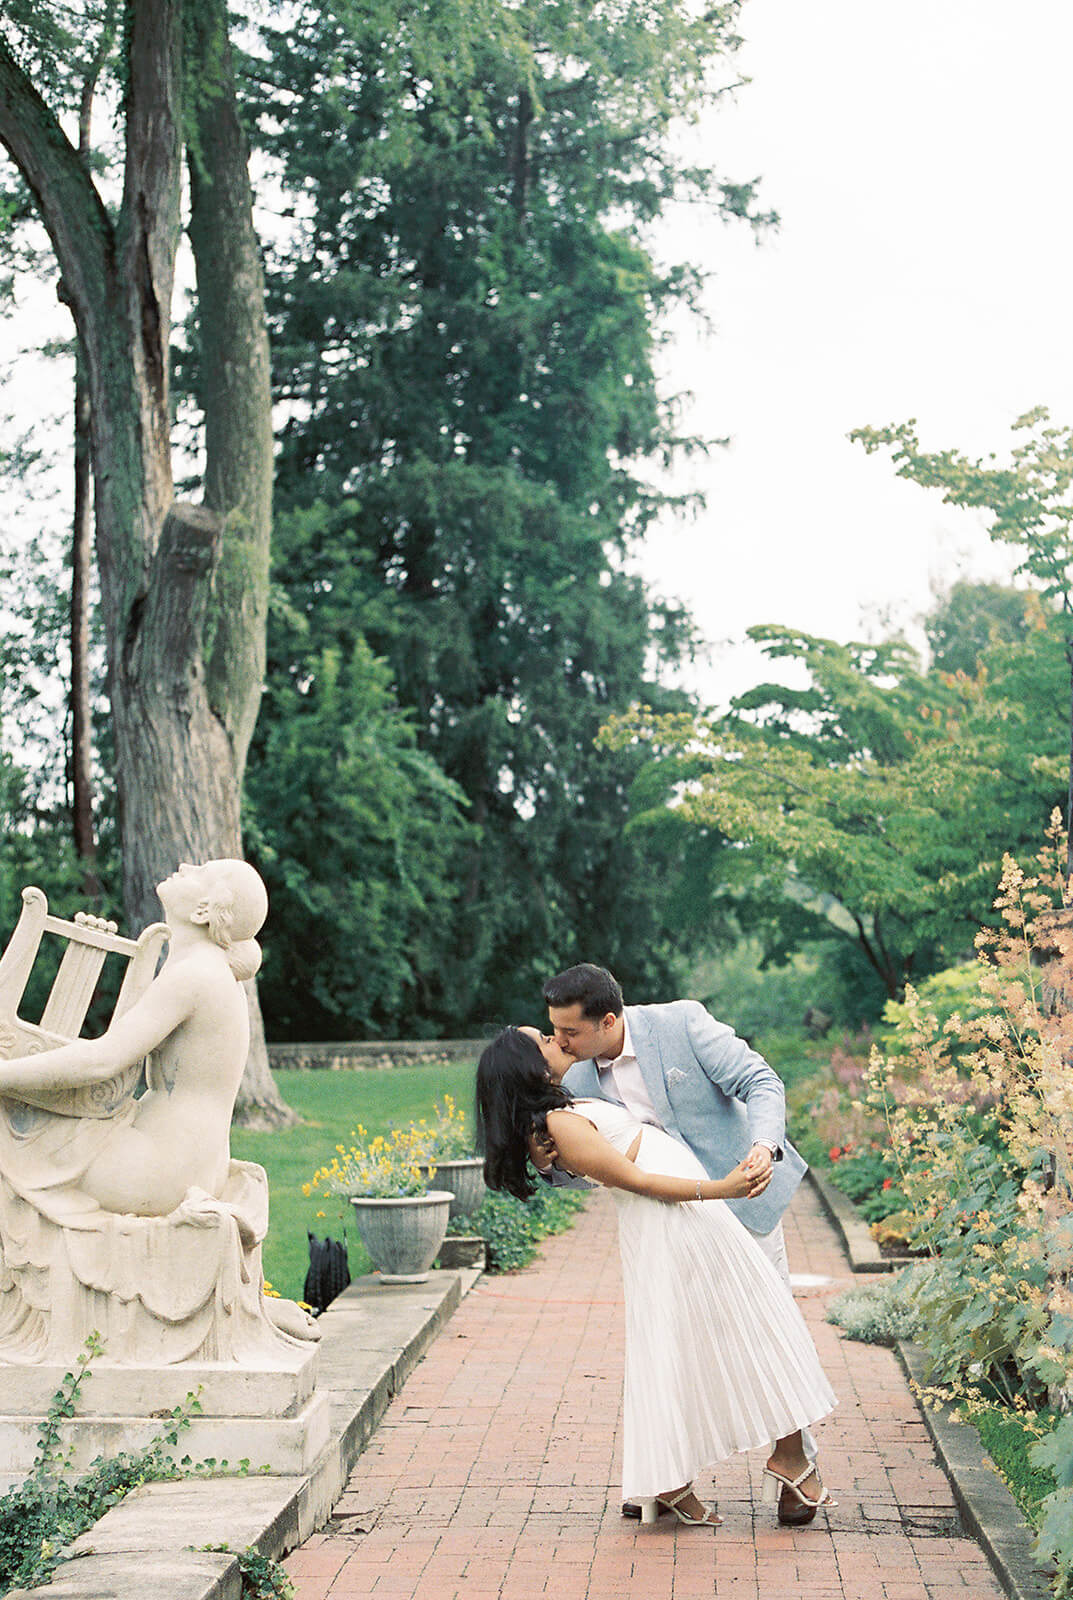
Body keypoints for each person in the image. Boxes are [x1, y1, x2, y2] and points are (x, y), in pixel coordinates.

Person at [476, 1025, 837, 1529]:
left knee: (704, 1338)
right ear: (527, 1067)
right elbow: (641, 1180)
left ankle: (673, 1481)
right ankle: (778, 1461)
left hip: (680, 1223)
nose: (556, 1038)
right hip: (680, 1223)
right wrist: (722, 1188)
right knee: (755, 1328)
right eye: (544, 1038)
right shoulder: (560, 1126)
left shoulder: (560, 1114)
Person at [0, 859, 316, 1362]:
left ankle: (30, 1322)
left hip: (162, 1169)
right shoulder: (198, 967)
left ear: (202, 908)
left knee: (10, 1135)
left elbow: (103, 1061)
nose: (186, 864)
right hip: (183, 1160)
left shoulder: (193, 974)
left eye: (201, 870)